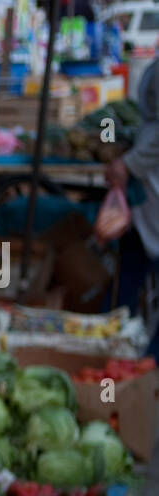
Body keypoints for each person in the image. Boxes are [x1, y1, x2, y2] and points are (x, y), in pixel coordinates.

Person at [106, 56, 159, 354]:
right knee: (131, 265)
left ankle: (145, 363)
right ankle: (112, 345)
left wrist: (130, 163)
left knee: (135, 263)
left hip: (150, 177)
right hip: (148, 183)